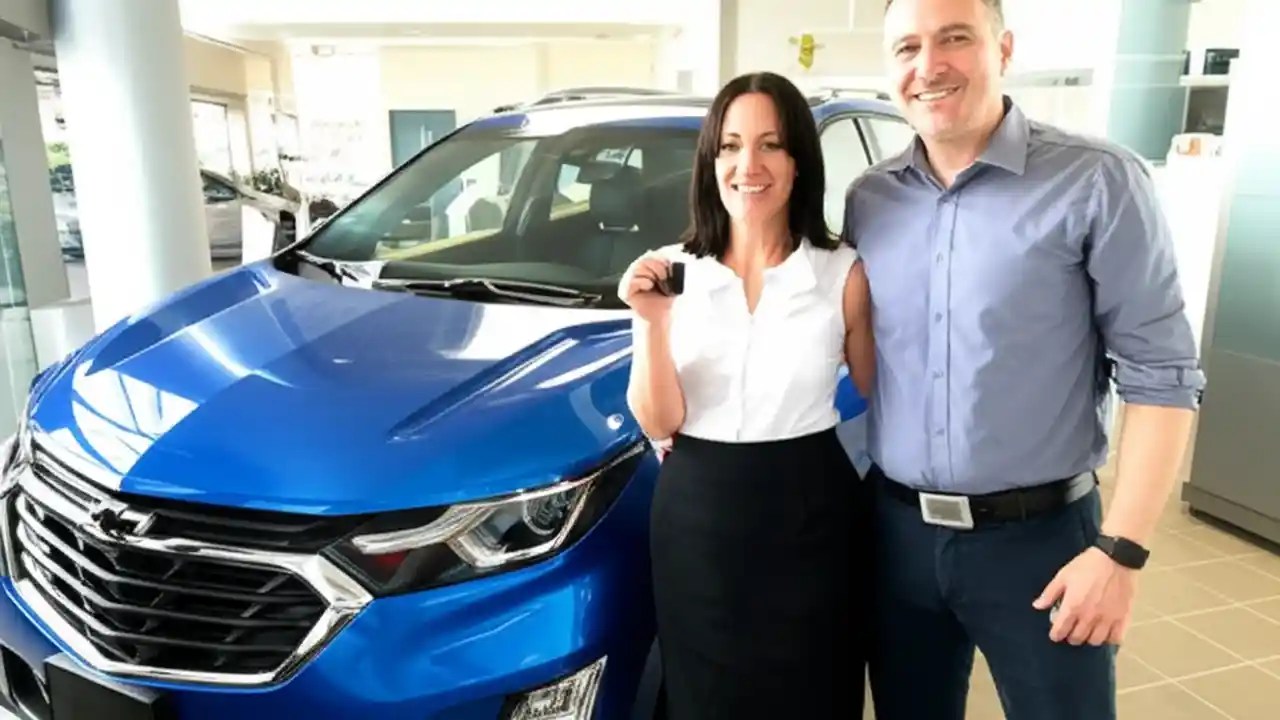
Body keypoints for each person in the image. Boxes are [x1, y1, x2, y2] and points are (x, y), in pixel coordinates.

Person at [842, 1, 1207, 719]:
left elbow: (1163, 376)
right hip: (897, 536)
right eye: (907, 47)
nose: (928, 66)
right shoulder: (870, 200)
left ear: (1002, 48)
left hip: (1042, 545)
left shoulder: (1097, 180)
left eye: (955, 39)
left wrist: (1122, 552)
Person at [619, 71, 875, 718]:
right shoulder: (670, 271)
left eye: (770, 145)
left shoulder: (841, 272)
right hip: (698, 512)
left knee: (812, 689)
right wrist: (648, 322)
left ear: (798, 163)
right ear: (711, 162)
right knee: (706, 694)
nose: (747, 165)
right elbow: (660, 419)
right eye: (730, 146)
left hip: (812, 510)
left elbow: (886, 393)